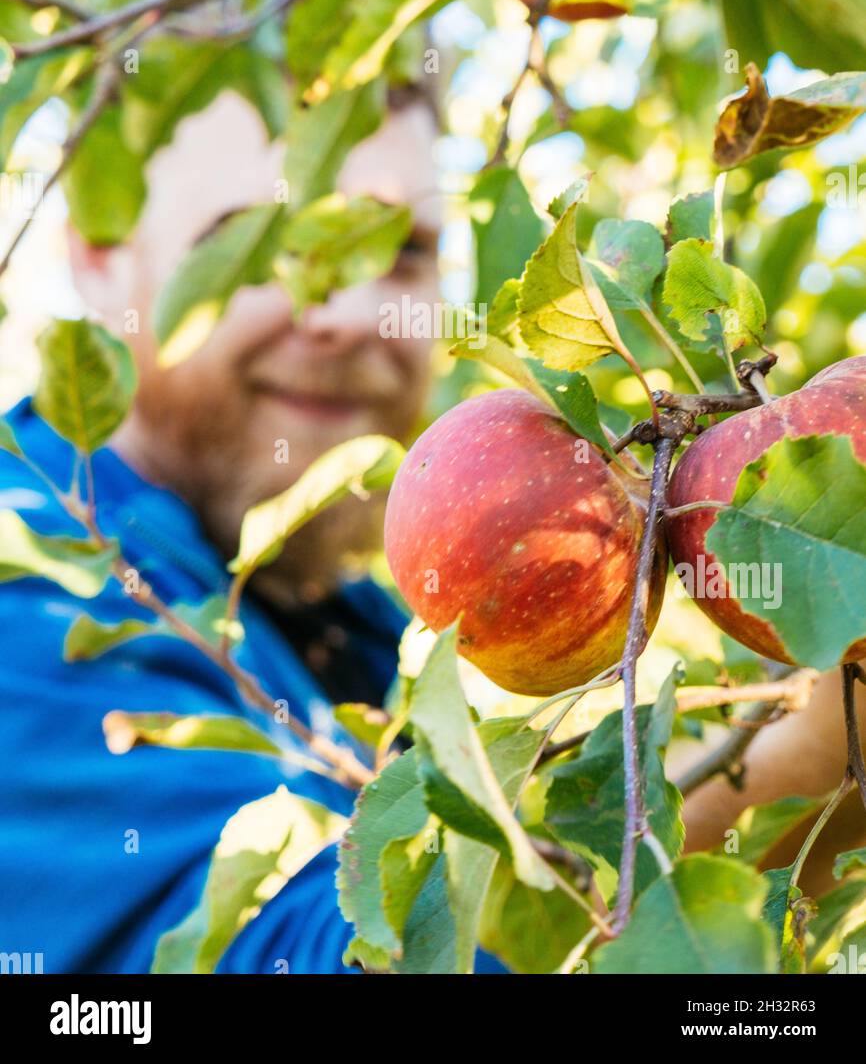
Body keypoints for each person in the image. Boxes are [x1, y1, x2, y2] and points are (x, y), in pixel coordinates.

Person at [0, 84, 863, 973]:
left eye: (404, 250)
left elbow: (531, 902)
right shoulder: (27, 593)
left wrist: (822, 752)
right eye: (258, 241)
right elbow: (331, 954)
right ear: (100, 259)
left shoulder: (362, 632)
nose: (352, 314)